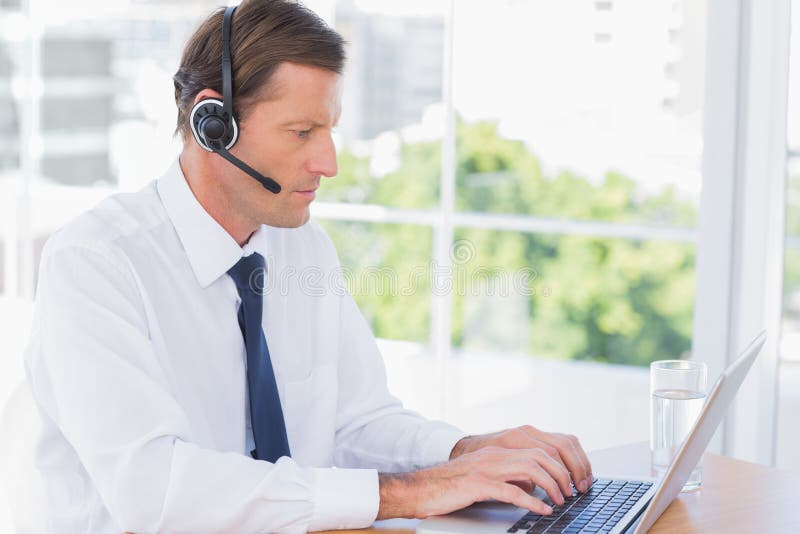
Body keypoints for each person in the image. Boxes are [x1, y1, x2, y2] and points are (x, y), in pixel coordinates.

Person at [24, 1, 593, 532]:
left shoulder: (302, 247)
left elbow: (356, 423)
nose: (329, 163)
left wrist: (465, 454)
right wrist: (409, 492)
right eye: (302, 132)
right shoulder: (96, 266)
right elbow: (153, 489)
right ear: (212, 125)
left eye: (330, 130)